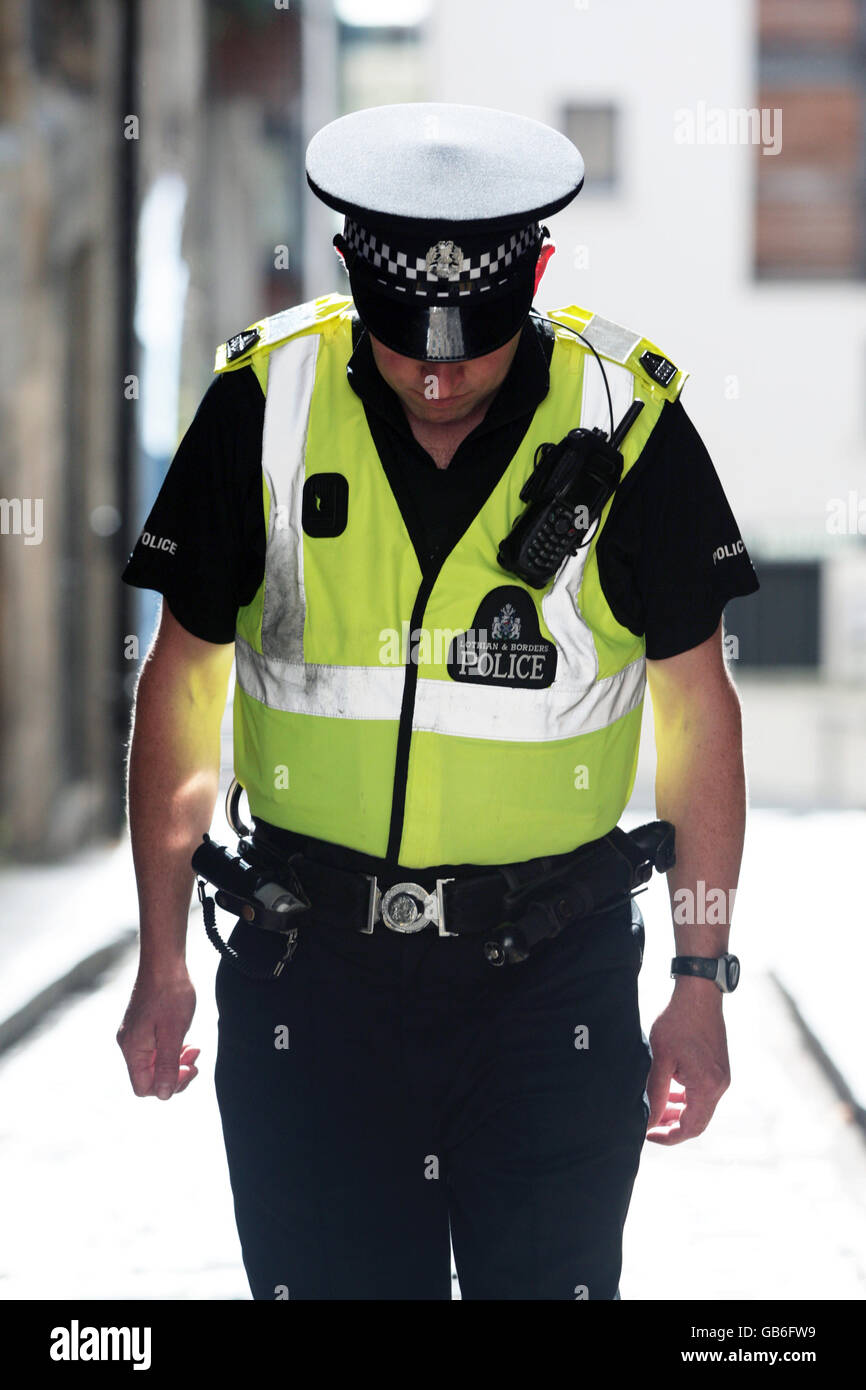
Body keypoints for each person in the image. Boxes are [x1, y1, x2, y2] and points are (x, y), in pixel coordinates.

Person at [116, 103, 759, 1300]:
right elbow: (183, 680)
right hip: (307, 972)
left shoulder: (630, 420)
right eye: (406, 333)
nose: (439, 366)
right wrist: (162, 955)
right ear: (353, 276)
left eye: (474, 337)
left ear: (540, 279)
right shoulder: (263, 400)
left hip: (548, 987)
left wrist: (696, 976)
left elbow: (696, 715)